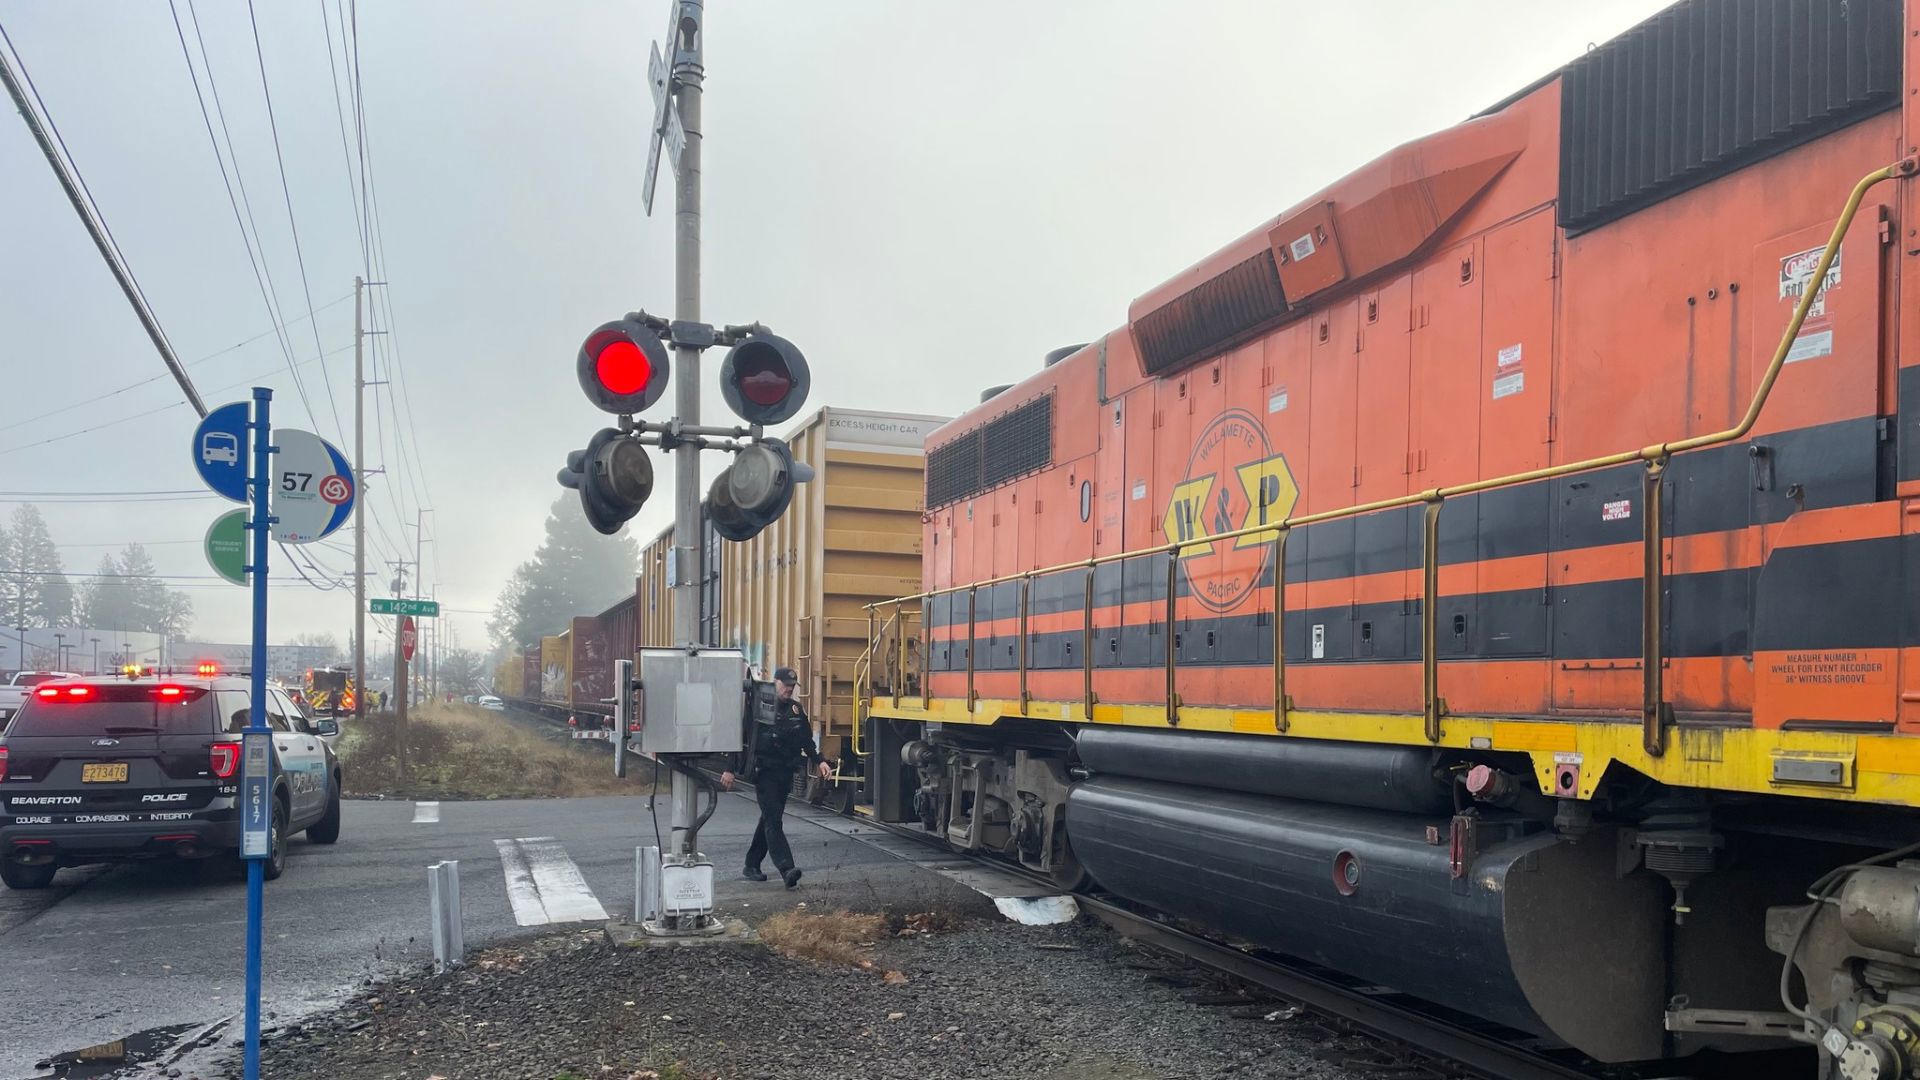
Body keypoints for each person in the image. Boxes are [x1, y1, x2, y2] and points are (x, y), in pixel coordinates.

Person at [720, 666, 831, 888]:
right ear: (775, 683)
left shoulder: (796, 711)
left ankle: (751, 864)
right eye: (785, 685)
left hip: (784, 773)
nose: (789, 689)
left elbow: (807, 741)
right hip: (764, 772)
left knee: (769, 819)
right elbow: (741, 737)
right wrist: (729, 768)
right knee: (773, 820)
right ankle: (786, 869)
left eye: (792, 686)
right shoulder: (761, 707)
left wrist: (820, 761)